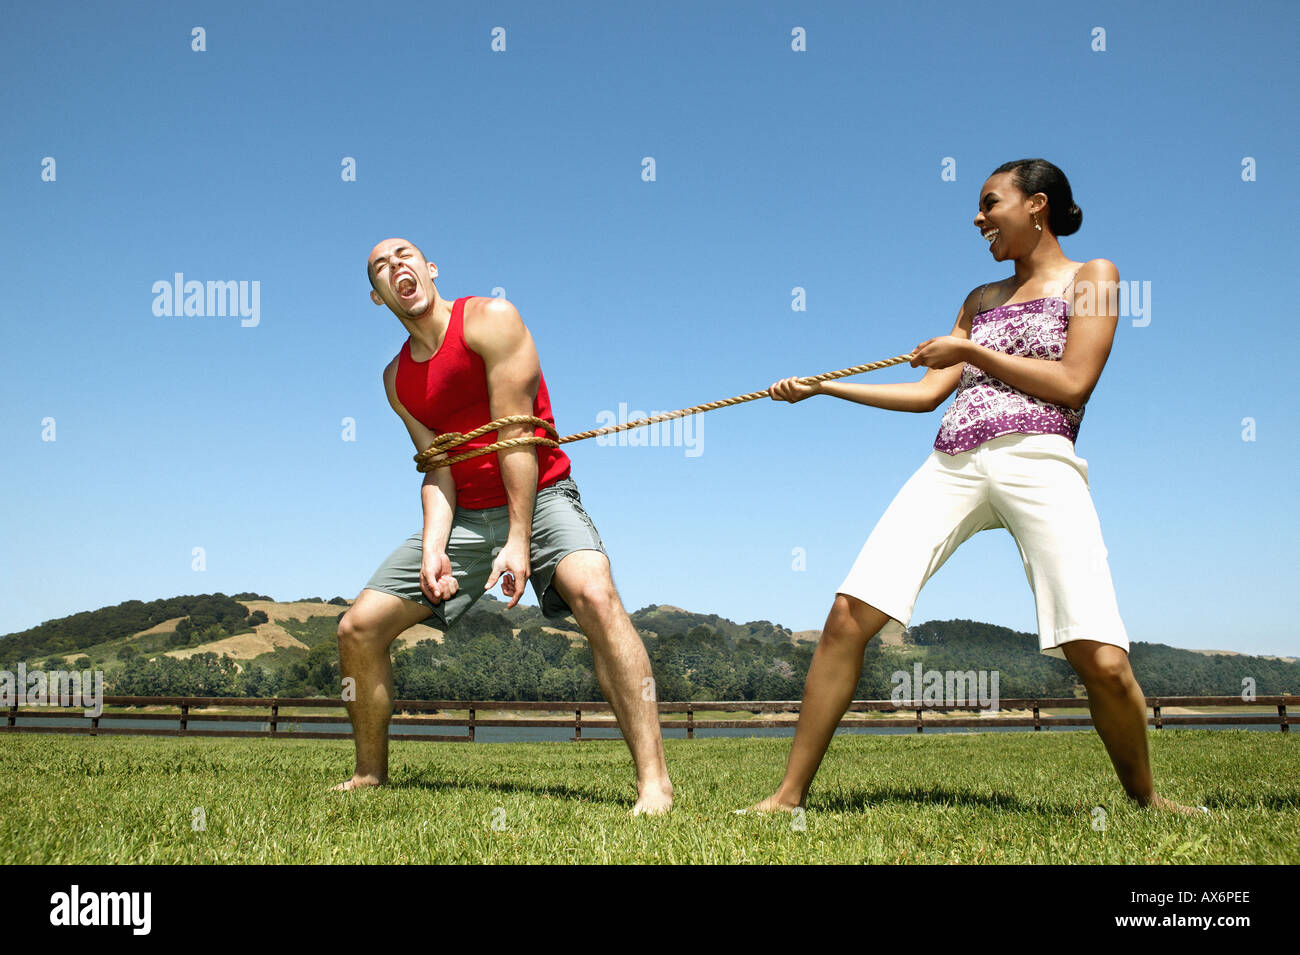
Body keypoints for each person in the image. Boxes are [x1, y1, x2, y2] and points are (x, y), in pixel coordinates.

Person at [748, 159, 1203, 816]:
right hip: (954, 459)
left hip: (1041, 456)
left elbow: (1074, 382)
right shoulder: (978, 299)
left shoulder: (1094, 277)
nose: (978, 217)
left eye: (990, 203)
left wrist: (972, 354)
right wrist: (822, 387)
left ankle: (1148, 796)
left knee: (1099, 656)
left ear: (1037, 205)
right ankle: (787, 797)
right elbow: (927, 394)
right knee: (849, 615)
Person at [333, 238, 673, 815]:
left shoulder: (491, 319)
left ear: (430, 268)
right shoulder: (396, 379)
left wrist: (518, 542)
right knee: (357, 629)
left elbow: (517, 434)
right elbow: (437, 467)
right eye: (381, 268)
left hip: (541, 494)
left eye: (404, 255)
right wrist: (433, 549)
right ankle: (370, 774)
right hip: (465, 513)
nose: (396, 267)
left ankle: (654, 782)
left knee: (595, 593)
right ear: (376, 296)